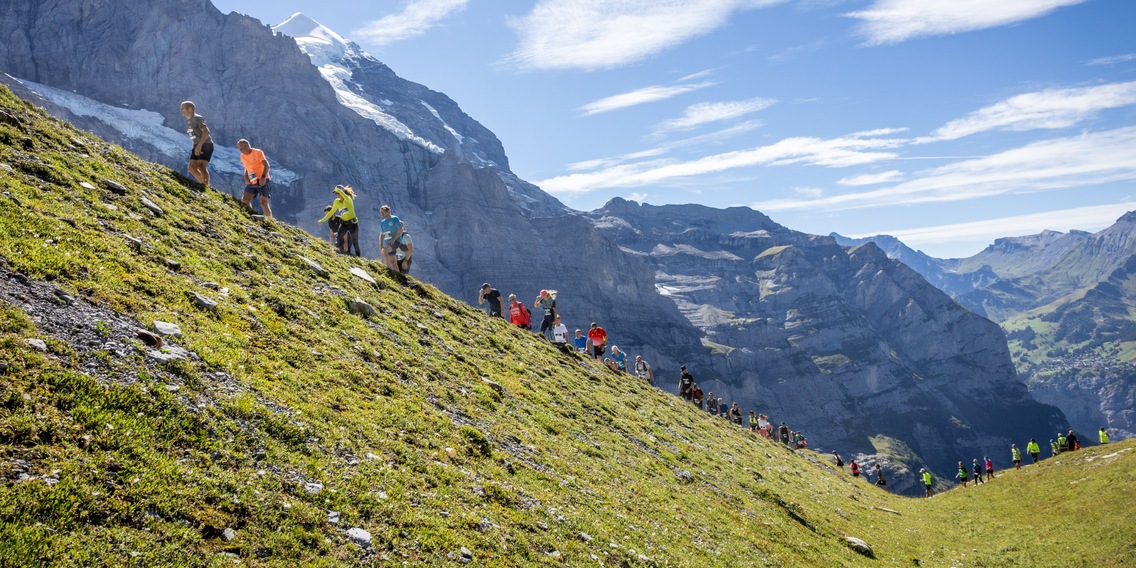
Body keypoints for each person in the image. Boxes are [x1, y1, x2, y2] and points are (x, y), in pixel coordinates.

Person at [237, 138, 273, 218]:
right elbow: (246, 168)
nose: (241, 150)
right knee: (245, 200)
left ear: (247, 146)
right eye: (239, 149)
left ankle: (269, 220)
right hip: (252, 180)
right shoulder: (242, 156)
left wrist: (263, 177)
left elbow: (266, 165)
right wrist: (246, 178)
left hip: (263, 180)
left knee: (263, 202)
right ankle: (250, 216)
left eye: (242, 148)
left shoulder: (258, 152)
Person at [317, 185, 358, 255]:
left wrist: (345, 242)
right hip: (339, 238)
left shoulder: (339, 218)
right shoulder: (330, 221)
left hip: (346, 238)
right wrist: (330, 245)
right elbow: (331, 234)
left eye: (337, 193)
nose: (336, 195)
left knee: (346, 252)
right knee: (340, 251)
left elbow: (345, 231)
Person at [180, 101, 212, 187]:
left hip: (205, 144)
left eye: (182, 108)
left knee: (201, 166)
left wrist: (200, 145)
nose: (181, 110)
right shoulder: (188, 121)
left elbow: (206, 131)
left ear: (190, 109)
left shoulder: (197, 118)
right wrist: (195, 146)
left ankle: (206, 186)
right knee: (191, 168)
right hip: (196, 145)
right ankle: (204, 185)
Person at [379, 204, 413, 273]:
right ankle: (398, 277)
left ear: (388, 212)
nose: (381, 214)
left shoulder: (395, 219)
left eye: (383, 212)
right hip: (389, 244)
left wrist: (394, 239)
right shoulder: (382, 222)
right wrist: (381, 245)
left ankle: (384, 267)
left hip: (397, 244)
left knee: (385, 251)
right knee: (393, 262)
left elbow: (400, 229)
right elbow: (381, 234)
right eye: (381, 212)